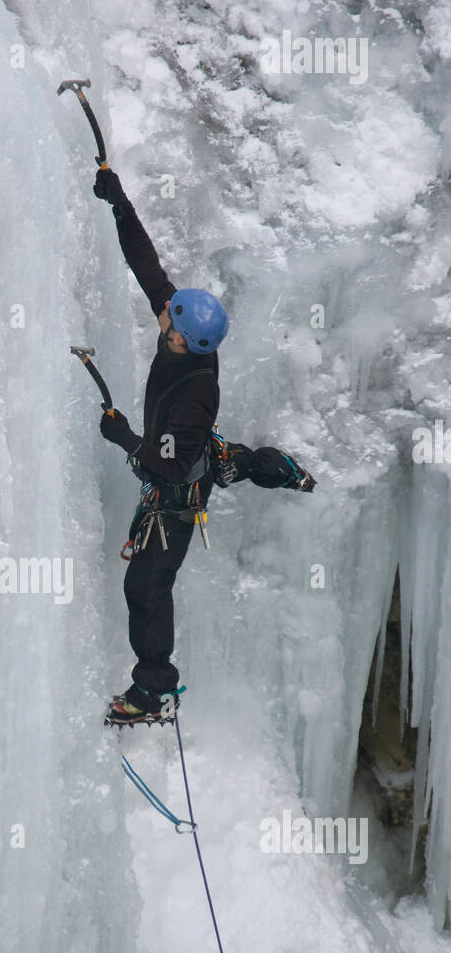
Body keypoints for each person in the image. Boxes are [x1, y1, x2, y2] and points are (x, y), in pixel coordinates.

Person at [93, 168, 316, 726]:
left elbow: (166, 463)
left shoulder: (196, 393)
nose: (162, 322)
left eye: (169, 328)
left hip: (176, 495)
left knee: (146, 586)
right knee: (231, 461)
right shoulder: (186, 329)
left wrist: (124, 437)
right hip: (196, 454)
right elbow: (149, 271)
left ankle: (153, 692)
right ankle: (279, 468)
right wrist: (121, 204)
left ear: (189, 345)